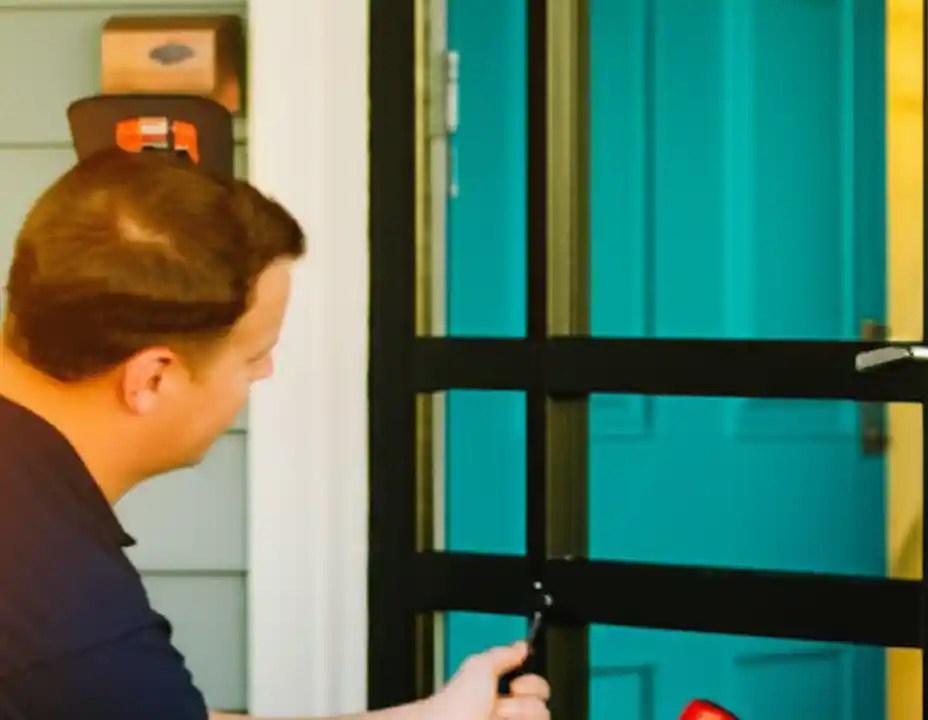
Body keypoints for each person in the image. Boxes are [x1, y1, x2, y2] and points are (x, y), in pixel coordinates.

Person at [0, 149, 550, 719]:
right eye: (254, 355)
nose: (266, 371)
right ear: (153, 380)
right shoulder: (53, 582)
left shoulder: (40, 561)